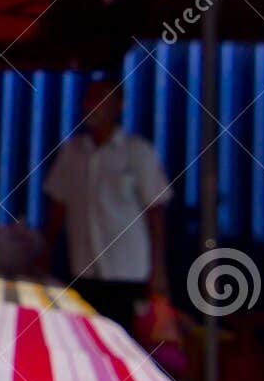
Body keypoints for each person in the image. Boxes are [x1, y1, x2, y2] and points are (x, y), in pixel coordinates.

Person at [42, 79, 172, 332]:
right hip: (83, 270)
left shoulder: (137, 152)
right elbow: (57, 208)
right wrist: (45, 254)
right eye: (89, 100)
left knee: (123, 344)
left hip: (127, 273)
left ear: (118, 106)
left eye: (100, 100)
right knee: (84, 339)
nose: (91, 106)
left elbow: (155, 213)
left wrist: (158, 271)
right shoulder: (72, 152)